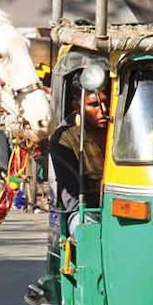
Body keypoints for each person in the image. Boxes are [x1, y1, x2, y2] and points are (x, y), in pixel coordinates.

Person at [50, 83, 109, 216]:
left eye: (106, 102)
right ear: (77, 107)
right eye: (94, 105)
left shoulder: (121, 130)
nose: (104, 109)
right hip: (85, 210)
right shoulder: (64, 139)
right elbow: (72, 200)